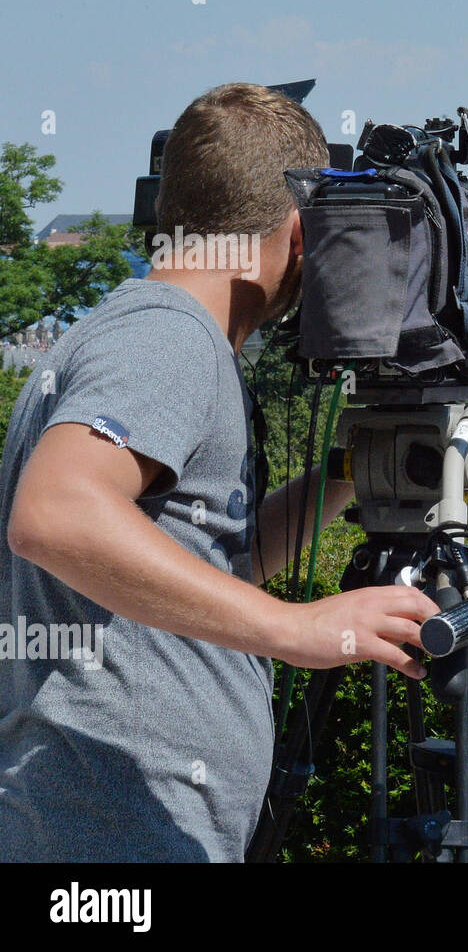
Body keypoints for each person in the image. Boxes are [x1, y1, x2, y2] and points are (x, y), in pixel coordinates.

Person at [0, 83, 438, 862]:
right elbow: (56, 514)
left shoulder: (147, 329)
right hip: (116, 836)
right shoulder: (169, 337)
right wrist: (297, 629)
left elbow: (210, 557)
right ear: (301, 231)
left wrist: (346, 469)